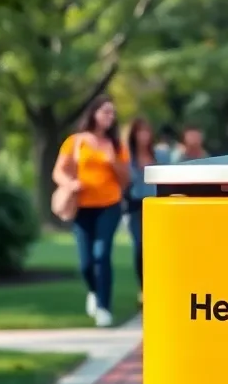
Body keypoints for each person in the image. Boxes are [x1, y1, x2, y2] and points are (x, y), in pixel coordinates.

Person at [52, 95, 129, 328]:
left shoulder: (116, 146)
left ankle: (104, 308)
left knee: (102, 255)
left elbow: (126, 180)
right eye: (105, 112)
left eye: (112, 113)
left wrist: (113, 161)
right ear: (94, 113)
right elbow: (58, 171)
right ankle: (94, 292)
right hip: (82, 207)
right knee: (86, 263)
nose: (110, 117)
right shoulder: (75, 142)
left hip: (109, 205)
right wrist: (69, 184)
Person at [124, 117, 156, 297]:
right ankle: (143, 287)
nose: (144, 136)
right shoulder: (128, 157)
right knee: (140, 245)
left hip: (155, 204)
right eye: (140, 132)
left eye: (146, 131)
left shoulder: (160, 155)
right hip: (135, 206)